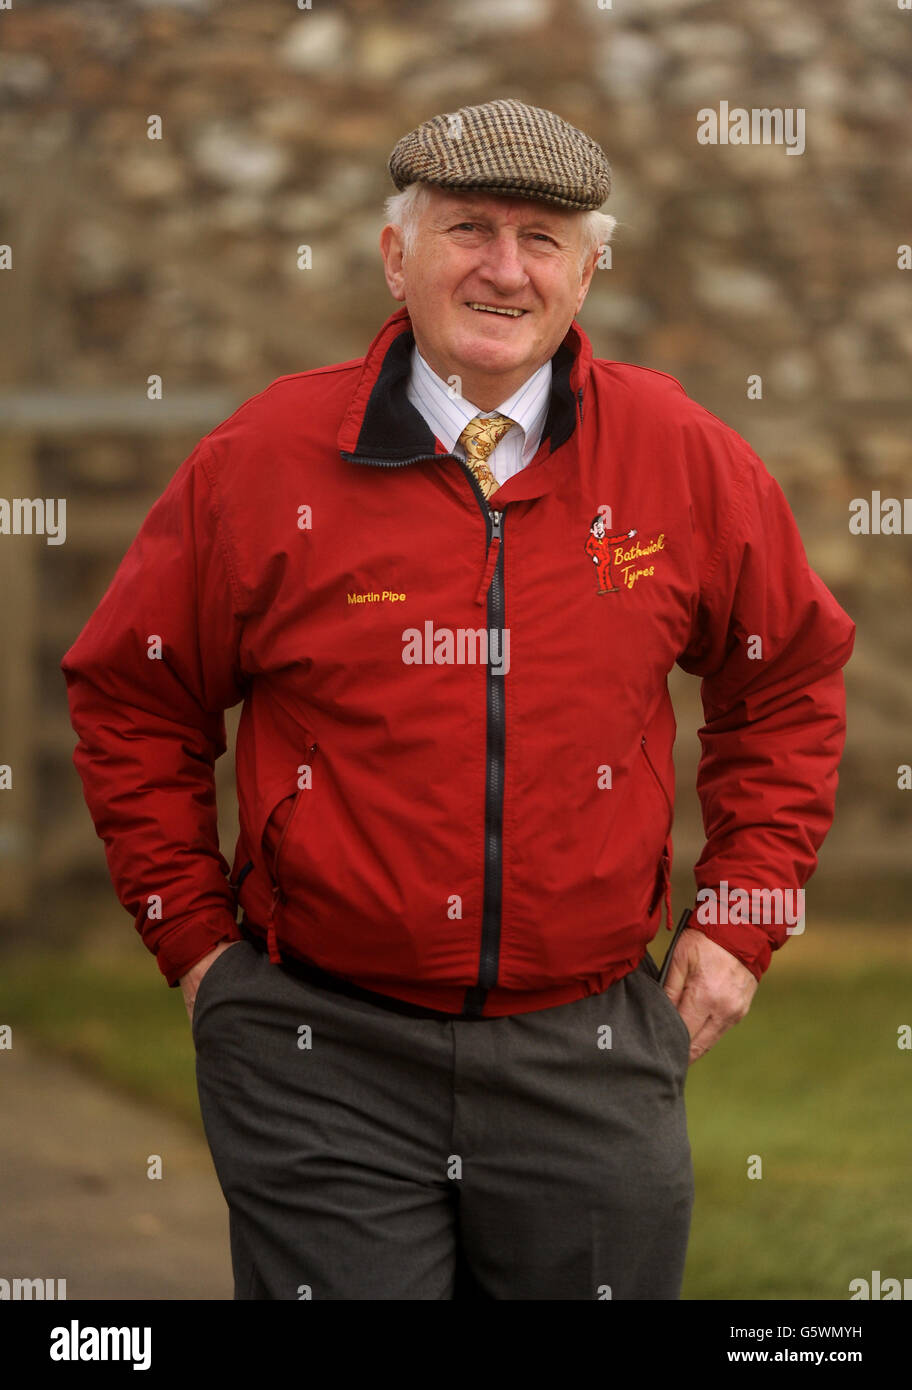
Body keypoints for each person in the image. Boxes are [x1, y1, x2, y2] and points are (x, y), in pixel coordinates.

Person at [61, 98, 855, 1300]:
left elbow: (785, 680)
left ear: (591, 269)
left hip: (588, 1051)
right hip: (316, 1050)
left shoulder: (682, 455)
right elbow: (135, 693)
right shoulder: (264, 460)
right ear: (397, 255)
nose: (504, 267)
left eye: (543, 238)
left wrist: (739, 921)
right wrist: (194, 946)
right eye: (467, 228)